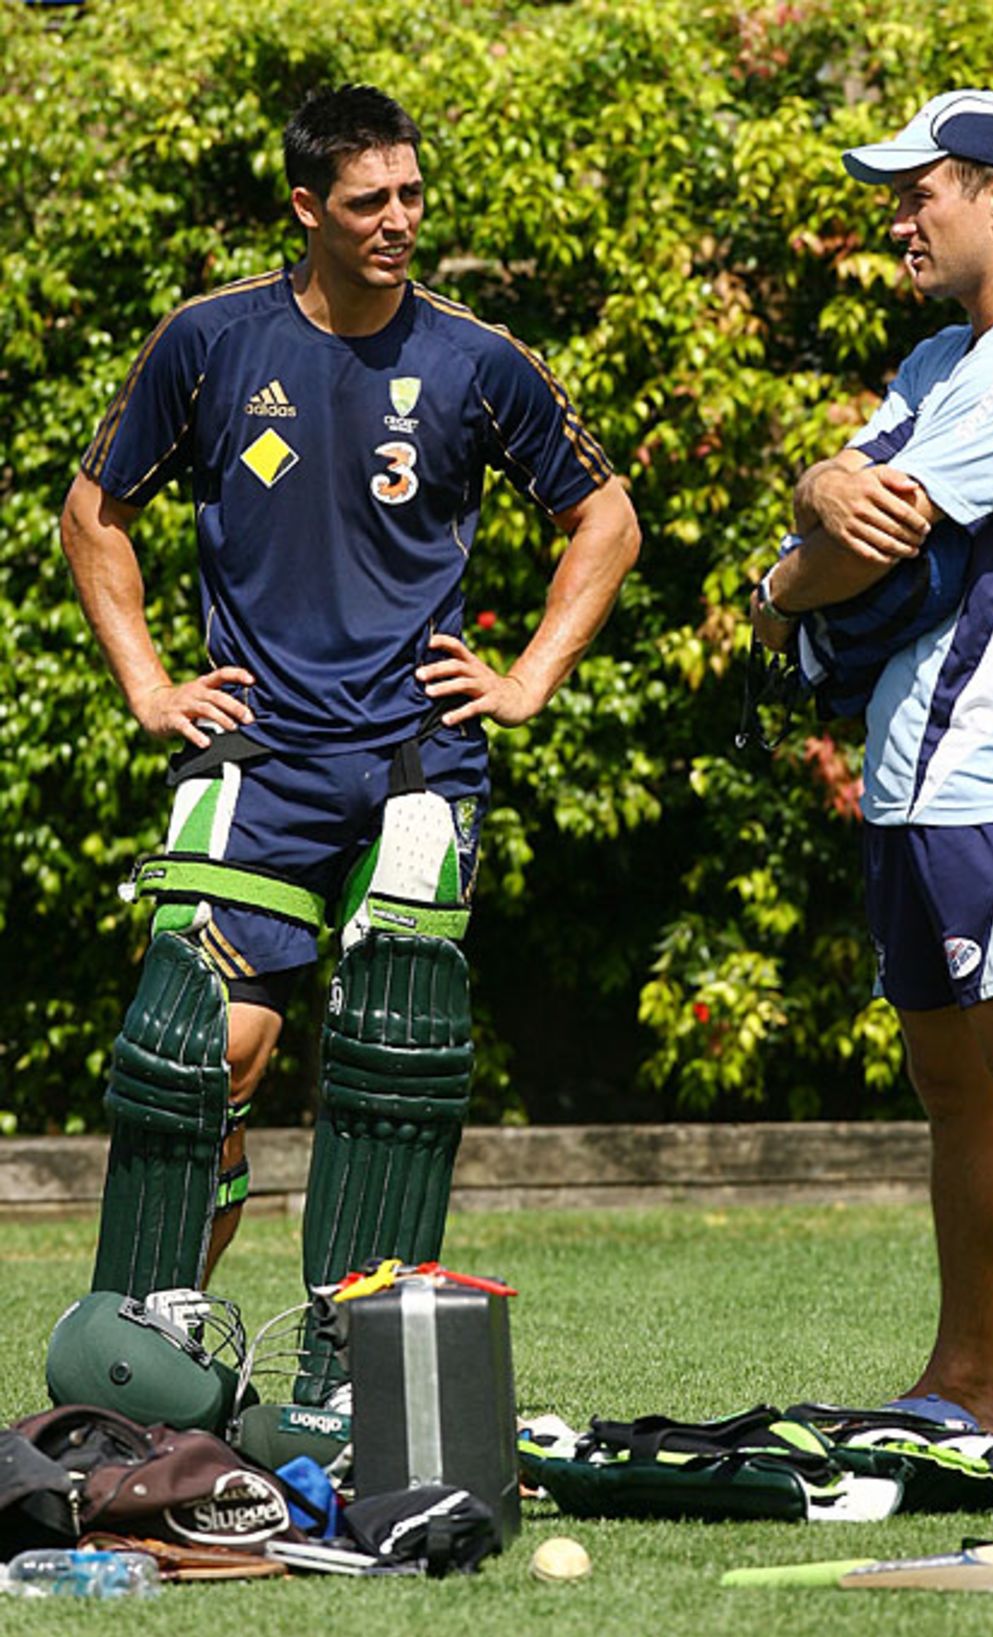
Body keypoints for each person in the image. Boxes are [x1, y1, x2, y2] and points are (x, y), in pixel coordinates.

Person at [61, 83, 641, 1318]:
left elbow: (606, 516)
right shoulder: (210, 343)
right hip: (257, 754)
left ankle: (348, 1375)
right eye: (369, 200)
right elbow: (92, 511)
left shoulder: (476, 359)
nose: (396, 221)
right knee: (192, 1057)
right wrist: (150, 682)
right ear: (307, 207)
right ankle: (154, 1353)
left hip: (418, 761)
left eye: (411, 195)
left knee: (392, 1062)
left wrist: (529, 676)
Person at [750, 90, 993, 1455]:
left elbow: (879, 533)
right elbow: (837, 486)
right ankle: (964, 1376)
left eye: (921, 190)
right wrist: (809, 495)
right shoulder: (939, 358)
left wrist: (782, 588)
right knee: (954, 1085)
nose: (898, 215)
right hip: (917, 780)